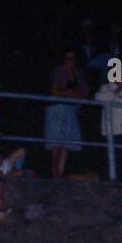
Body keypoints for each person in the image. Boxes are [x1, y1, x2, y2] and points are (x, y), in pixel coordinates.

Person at [45, 49, 87, 177]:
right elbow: (54, 92)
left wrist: (68, 94)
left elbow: (83, 93)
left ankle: (60, 174)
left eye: (72, 58)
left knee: (66, 145)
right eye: (67, 57)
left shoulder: (78, 73)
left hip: (71, 110)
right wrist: (70, 94)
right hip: (57, 109)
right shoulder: (58, 70)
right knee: (56, 144)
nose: (70, 60)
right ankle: (54, 174)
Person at [94, 77, 122, 176]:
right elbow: (98, 97)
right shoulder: (106, 86)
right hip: (113, 128)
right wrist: (116, 91)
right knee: (113, 155)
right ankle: (112, 179)